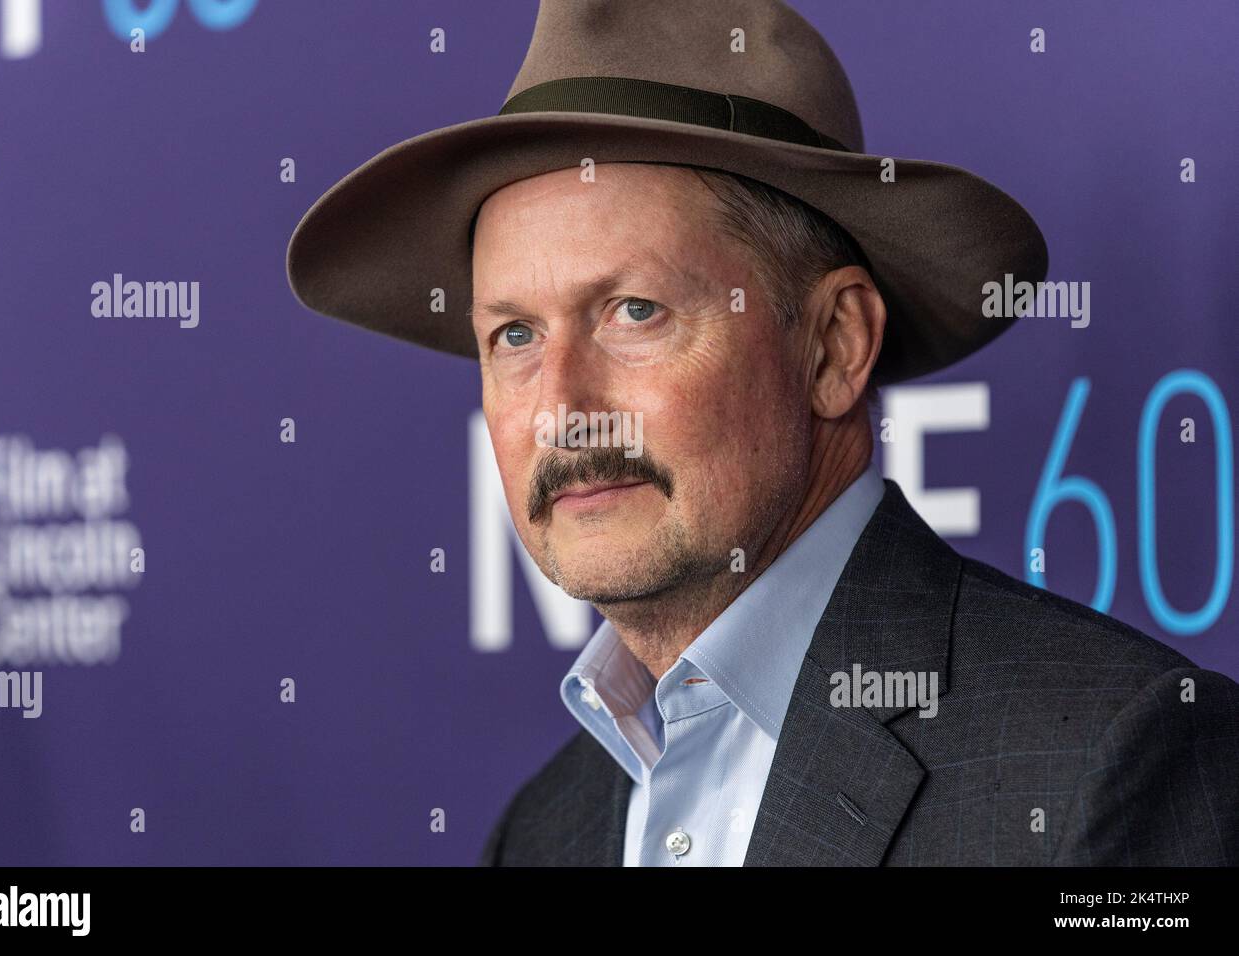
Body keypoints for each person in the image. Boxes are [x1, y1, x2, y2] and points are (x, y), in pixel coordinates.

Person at [286, 0, 1239, 865]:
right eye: (516, 335)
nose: (562, 409)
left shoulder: (1109, 759)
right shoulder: (543, 835)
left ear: (833, 346)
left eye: (634, 310)